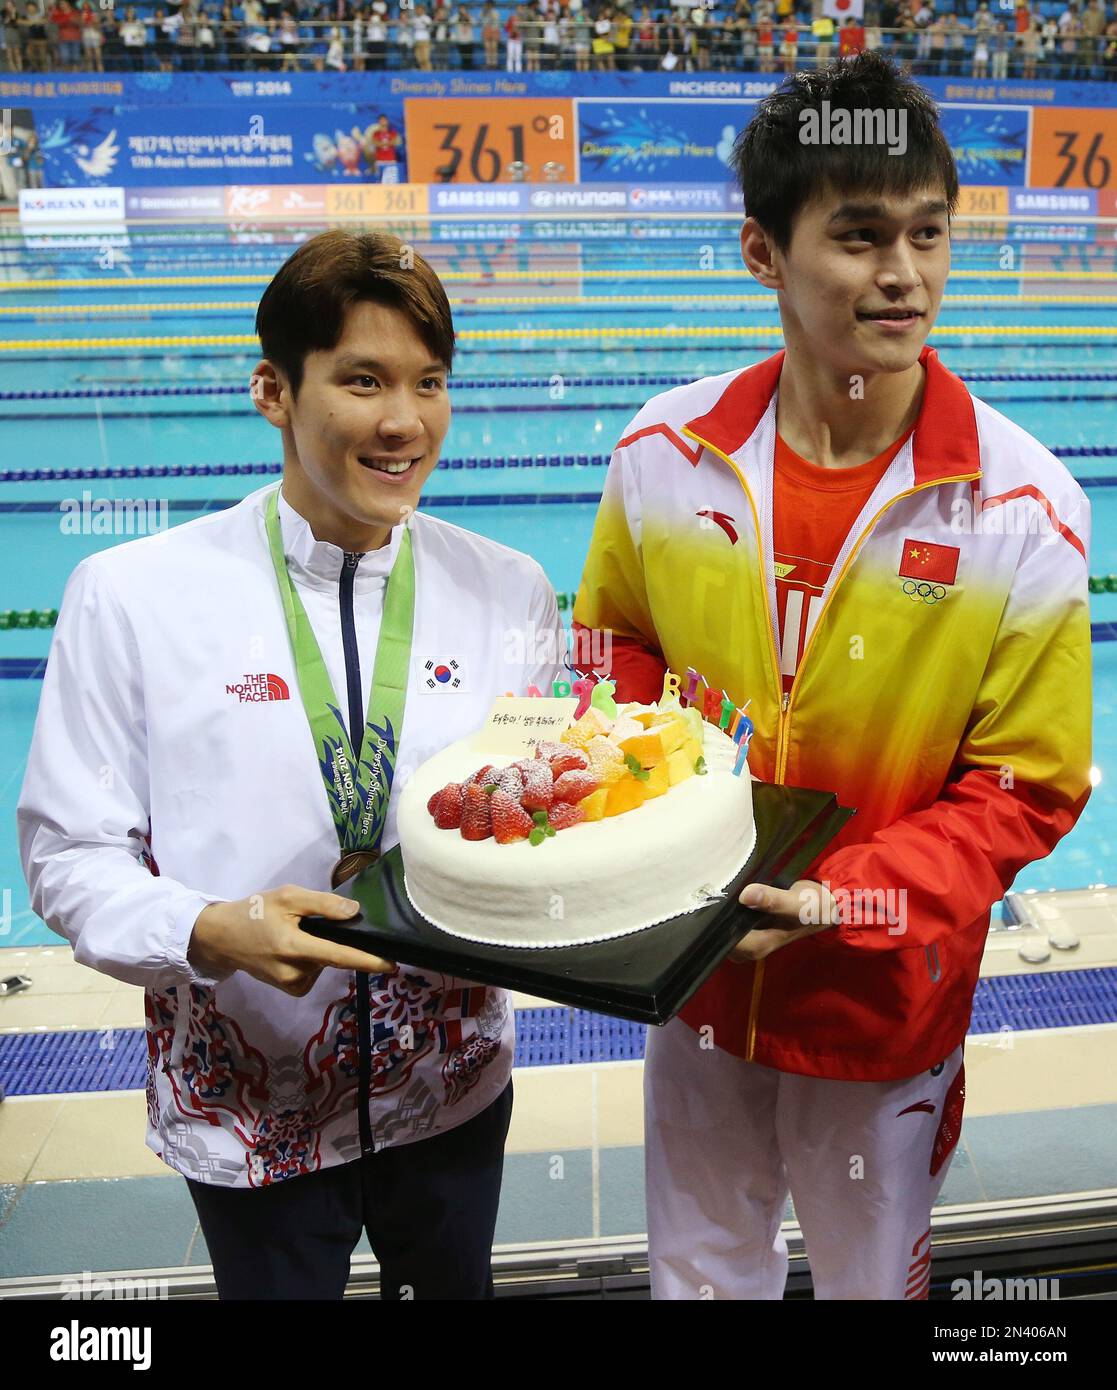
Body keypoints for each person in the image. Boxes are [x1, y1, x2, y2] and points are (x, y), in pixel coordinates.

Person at [570, 52, 1091, 1301]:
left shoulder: (1020, 509)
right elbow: (607, 660)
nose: (903, 274)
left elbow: (1023, 790)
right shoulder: (663, 454)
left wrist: (830, 901)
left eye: (926, 233)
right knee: (697, 1277)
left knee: (869, 1286)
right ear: (763, 253)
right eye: (858, 237)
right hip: (694, 986)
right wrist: (667, 840)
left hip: (877, 1003)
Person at [19, 231, 566, 1302]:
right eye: (362, 380)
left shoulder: (510, 589)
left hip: (449, 1092)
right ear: (274, 390)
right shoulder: (131, 596)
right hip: (246, 1115)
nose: (404, 420)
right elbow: (68, 857)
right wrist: (207, 929)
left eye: (428, 382)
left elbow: (530, 819)